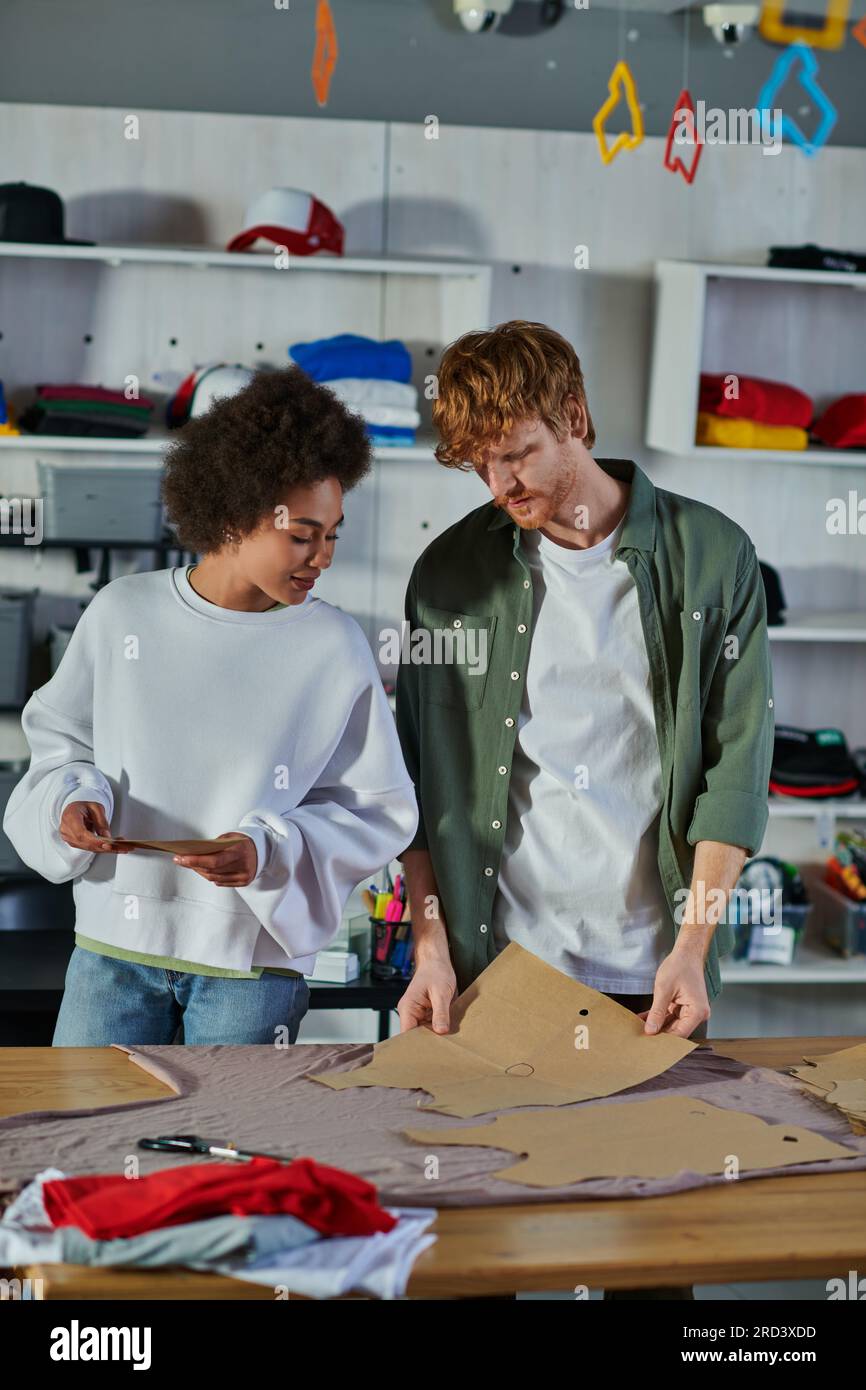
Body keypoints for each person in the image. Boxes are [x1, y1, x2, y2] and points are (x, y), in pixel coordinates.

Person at [394, 322, 773, 1298]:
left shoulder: (708, 557)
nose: (501, 486)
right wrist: (429, 947)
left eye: (516, 452)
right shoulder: (449, 578)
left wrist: (691, 946)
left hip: (644, 983)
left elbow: (734, 769)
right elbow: (418, 786)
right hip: (495, 978)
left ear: (576, 418)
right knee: (479, 1261)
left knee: (649, 1264)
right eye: (480, 466)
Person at [4, 367, 417, 1046]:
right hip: (111, 954)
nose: (323, 557)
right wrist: (66, 806)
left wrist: (268, 851)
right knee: (85, 1139)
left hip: (251, 970)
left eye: (334, 534)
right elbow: (62, 748)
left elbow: (377, 811)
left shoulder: (335, 646)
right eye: (302, 534)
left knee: (237, 1150)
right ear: (232, 517)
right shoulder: (122, 614)